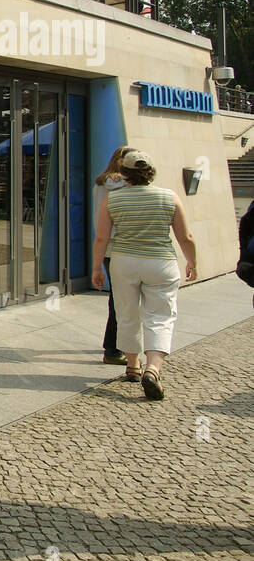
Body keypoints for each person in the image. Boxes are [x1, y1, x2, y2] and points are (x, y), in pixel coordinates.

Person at [92, 150, 197, 401]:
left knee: (127, 312)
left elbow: (102, 237)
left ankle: (132, 365)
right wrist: (192, 262)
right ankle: (153, 368)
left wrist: (97, 268)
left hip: (124, 260)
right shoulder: (168, 197)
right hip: (160, 261)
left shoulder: (113, 199)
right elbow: (186, 237)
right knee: (160, 315)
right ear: (150, 172)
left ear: (124, 174)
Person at [92, 146, 131, 369]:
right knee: (123, 300)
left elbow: (99, 221)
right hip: (126, 245)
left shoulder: (100, 183)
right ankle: (113, 348)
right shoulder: (128, 186)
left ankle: (115, 345)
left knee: (116, 298)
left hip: (107, 245)